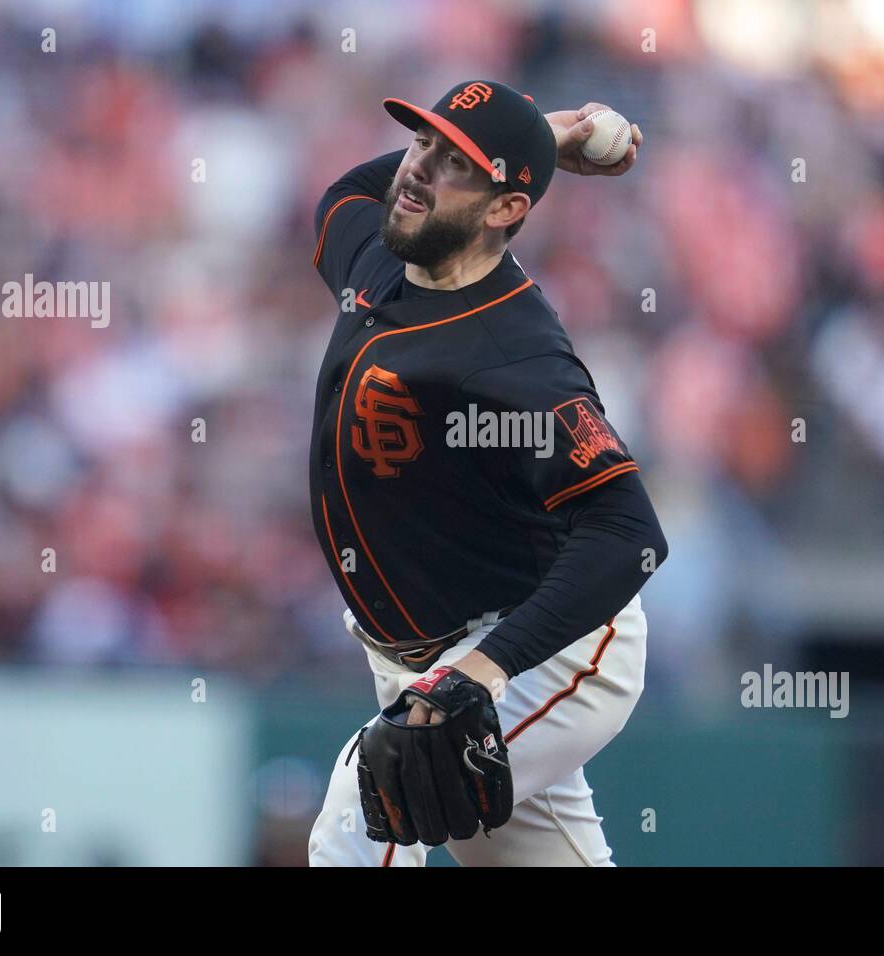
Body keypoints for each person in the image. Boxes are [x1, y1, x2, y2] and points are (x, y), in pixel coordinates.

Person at [307, 79, 666, 866]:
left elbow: (629, 532)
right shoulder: (380, 259)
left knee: (358, 819)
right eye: (423, 143)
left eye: (456, 165)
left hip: (544, 648)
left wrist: (483, 670)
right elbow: (345, 191)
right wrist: (540, 135)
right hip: (421, 658)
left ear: (506, 209)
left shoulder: (517, 358)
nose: (418, 169)